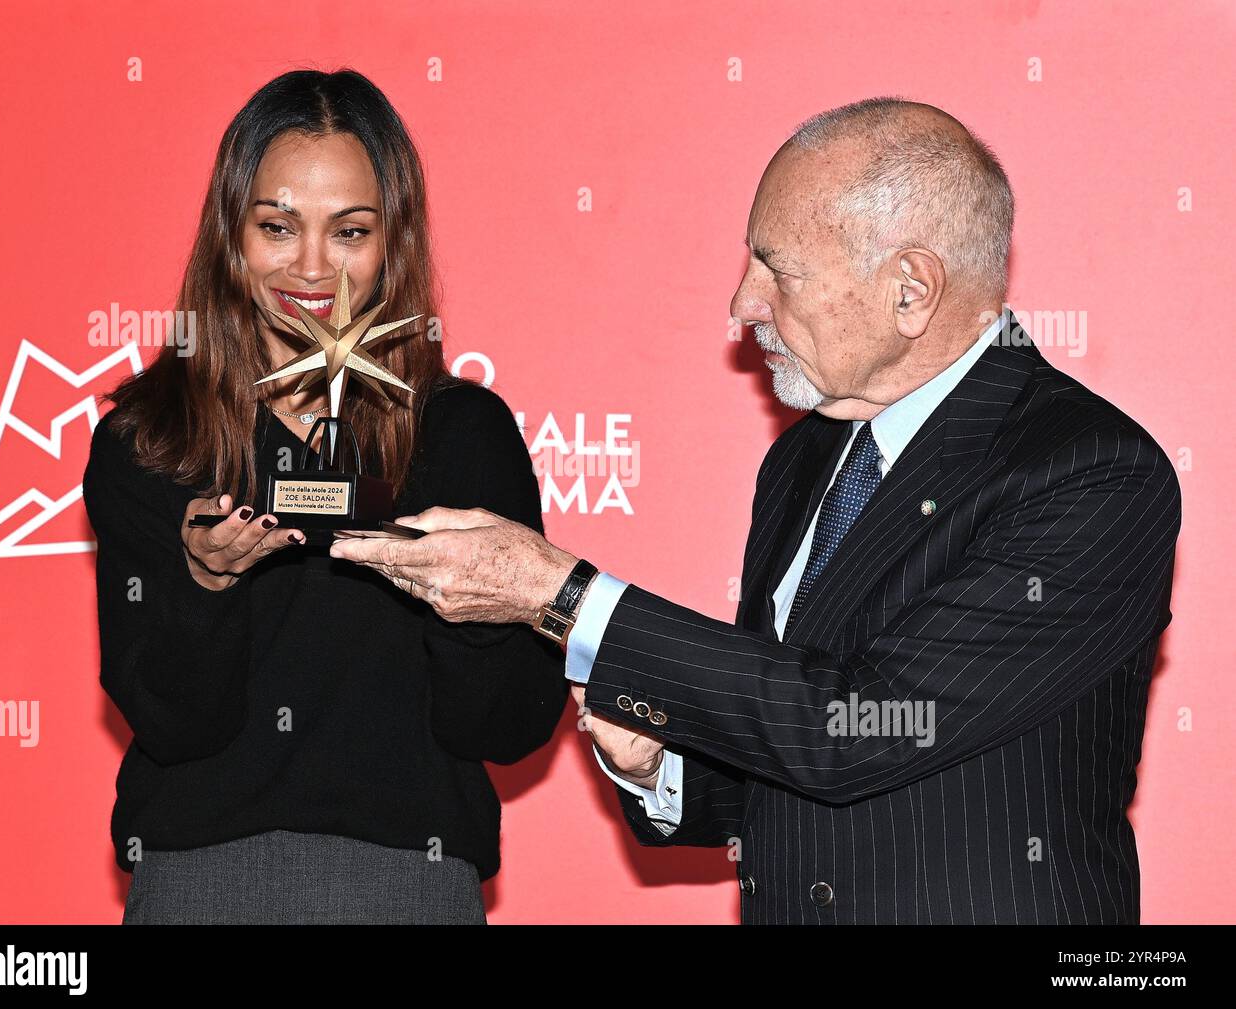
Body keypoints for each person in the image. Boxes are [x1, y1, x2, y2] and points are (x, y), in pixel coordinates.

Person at [330, 98, 1183, 925]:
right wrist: (663, 763)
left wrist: (565, 595)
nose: (743, 302)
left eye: (780, 268)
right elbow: (786, 756)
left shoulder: (1090, 475)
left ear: (912, 289)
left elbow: (861, 729)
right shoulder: (806, 456)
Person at [83, 68, 565, 925]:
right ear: (232, 233)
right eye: (277, 226)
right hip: (202, 882)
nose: (312, 268)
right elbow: (170, 721)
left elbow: (511, 724)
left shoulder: (460, 435)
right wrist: (206, 588)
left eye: (350, 231)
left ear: (394, 243)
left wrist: (475, 602)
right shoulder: (151, 439)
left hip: (409, 884)